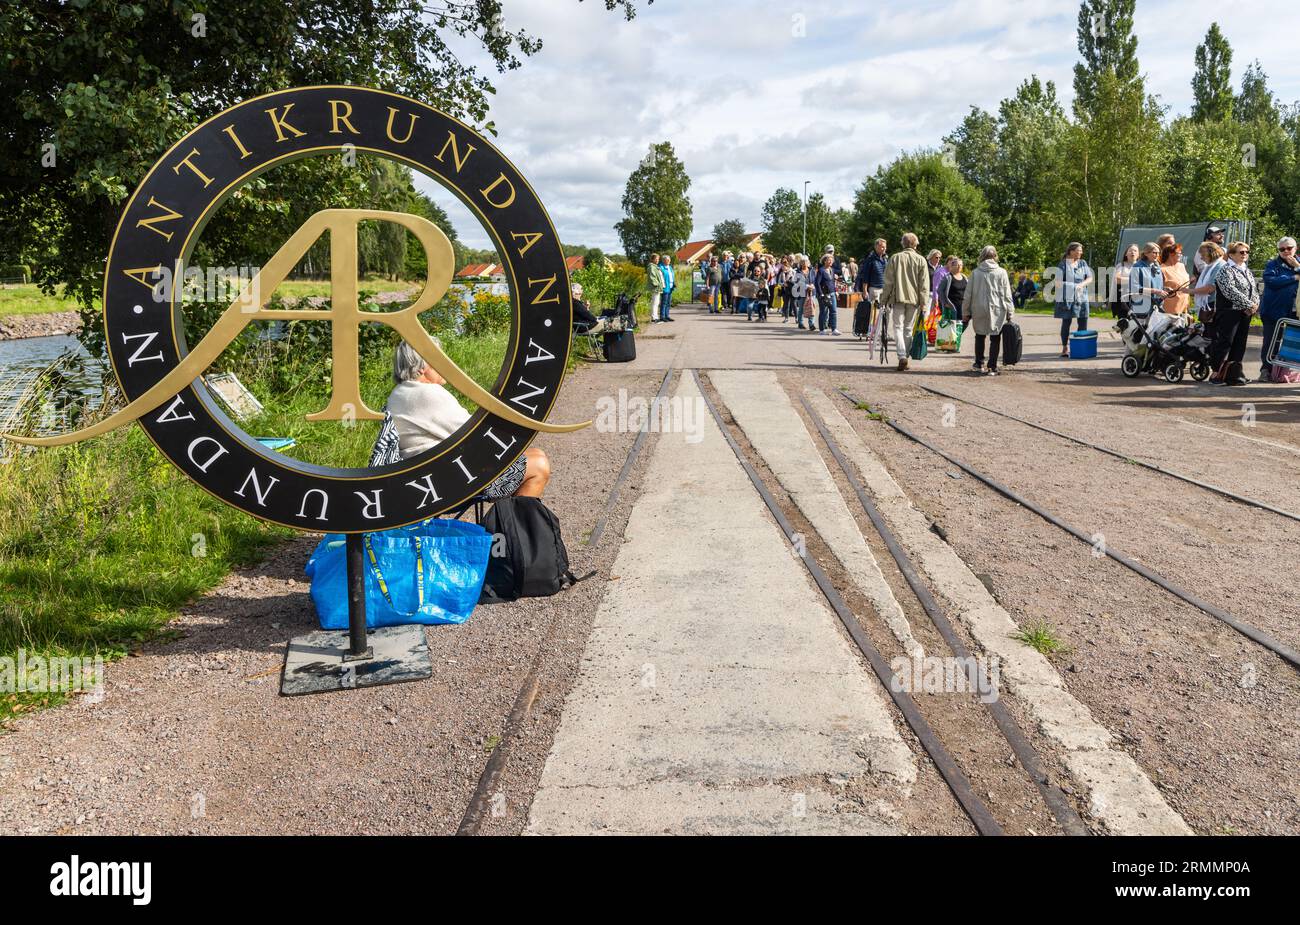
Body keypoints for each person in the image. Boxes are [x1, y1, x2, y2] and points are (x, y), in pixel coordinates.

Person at [387, 341, 551, 498]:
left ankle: (507, 522)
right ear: (422, 367)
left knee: (536, 454)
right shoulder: (426, 394)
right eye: (440, 359)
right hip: (451, 479)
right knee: (539, 466)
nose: (447, 364)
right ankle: (509, 526)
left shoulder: (399, 393)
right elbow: (475, 434)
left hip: (424, 475)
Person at [1208, 242, 1259, 386]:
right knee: (1226, 342)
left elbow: (1253, 290)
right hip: (1229, 312)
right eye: (1241, 252)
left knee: (1240, 343)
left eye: (1246, 252)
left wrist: (1255, 304)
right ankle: (1216, 373)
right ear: (1231, 254)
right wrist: (1249, 304)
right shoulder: (1225, 270)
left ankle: (1234, 373)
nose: (1245, 254)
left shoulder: (1246, 270)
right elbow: (1230, 291)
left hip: (1245, 312)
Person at [880, 232, 930, 370]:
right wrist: (924, 303)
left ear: (903, 243)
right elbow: (924, 285)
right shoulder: (921, 260)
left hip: (898, 298)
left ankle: (902, 355)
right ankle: (905, 356)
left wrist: (883, 299)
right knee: (908, 329)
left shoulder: (895, 258)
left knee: (897, 327)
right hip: (914, 300)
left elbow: (888, 282)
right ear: (915, 244)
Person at [963, 246, 1015, 376]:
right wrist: (1010, 312)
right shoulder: (1001, 272)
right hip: (997, 308)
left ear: (982, 256)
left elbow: (968, 294)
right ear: (995, 256)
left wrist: (966, 312)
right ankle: (992, 366)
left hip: (978, 307)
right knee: (995, 337)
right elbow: (1007, 293)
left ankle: (979, 363)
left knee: (979, 336)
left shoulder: (975, 272)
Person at [1260, 236, 1300, 379]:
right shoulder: (1272, 264)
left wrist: (1297, 267)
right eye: (1282, 249)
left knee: (1294, 344)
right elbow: (1271, 281)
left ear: (1295, 249)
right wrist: (1294, 278)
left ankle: (1289, 372)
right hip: (1273, 309)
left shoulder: (1299, 264)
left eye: (1289, 248)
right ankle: (1266, 370)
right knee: (1271, 341)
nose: (1286, 251)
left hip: (1295, 311)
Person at [1053, 242, 1092, 357]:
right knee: (1066, 322)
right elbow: (1058, 283)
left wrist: (1081, 285)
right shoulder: (1063, 264)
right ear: (1070, 251)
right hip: (1067, 298)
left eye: (1081, 251)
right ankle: (1065, 347)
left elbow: (1089, 278)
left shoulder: (1083, 263)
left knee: (1083, 321)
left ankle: (1080, 347)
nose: (1080, 253)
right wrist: (1073, 286)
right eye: (1078, 251)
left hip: (1081, 297)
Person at [1189, 241, 1226, 338]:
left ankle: (1212, 353)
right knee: (1207, 334)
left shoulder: (1219, 266)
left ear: (1211, 253)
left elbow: (1210, 288)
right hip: (1208, 305)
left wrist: (1190, 291)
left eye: (1203, 255)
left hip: (1214, 306)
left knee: (1212, 335)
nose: (1201, 258)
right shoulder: (1210, 266)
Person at [1127, 243, 1165, 319]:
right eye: (1154, 252)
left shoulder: (1157, 267)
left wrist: (1164, 290)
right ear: (1146, 253)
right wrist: (1155, 291)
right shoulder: (1137, 267)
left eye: (1158, 253)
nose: (1157, 255)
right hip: (1141, 307)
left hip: (1156, 306)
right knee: (1141, 330)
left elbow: (1159, 286)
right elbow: (1135, 288)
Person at [1159, 243, 1190, 316]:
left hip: (1184, 308)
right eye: (1179, 253)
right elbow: (1157, 288)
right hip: (1169, 312)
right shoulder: (1162, 269)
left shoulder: (1181, 266)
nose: (1181, 255)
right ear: (1170, 254)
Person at [938, 256, 967, 328]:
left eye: (961, 265)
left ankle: (957, 338)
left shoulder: (964, 277)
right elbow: (940, 290)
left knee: (962, 326)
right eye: (957, 265)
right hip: (952, 308)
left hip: (962, 307)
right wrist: (945, 303)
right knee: (951, 329)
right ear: (952, 266)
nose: (959, 266)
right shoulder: (948, 277)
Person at [1111, 244, 1138, 319]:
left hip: (1139, 299)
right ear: (1126, 254)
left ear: (1138, 254)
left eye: (1135, 251)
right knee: (1125, 323)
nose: (1133, 252)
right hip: (1124, 300)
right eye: (1130, 250)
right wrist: (1136, 281)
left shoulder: (1142, 266)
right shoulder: (1121, 265)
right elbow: (1118, 280)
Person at [815, 253, 839, 334]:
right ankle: (822, 330)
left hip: (832, 294)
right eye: (829, 260)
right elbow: (817, 283)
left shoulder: (832, 270)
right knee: (823, 312)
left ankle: (834, 329)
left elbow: (832, 282)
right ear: (824, 261)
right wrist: (820, 294)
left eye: (831, 260)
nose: (830, 262)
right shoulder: (821, 270)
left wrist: (836, 291)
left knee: (834, 311)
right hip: (824, 294)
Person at [646, 253, 664, 323]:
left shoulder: (655, 266)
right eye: (656, 259)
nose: (657, 260)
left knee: (656, 303)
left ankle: (655, 317)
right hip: (655, 287)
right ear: (652, 259)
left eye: (658, 259)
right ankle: (654, 318)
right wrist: (656, 284)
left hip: (658, 287)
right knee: (655, 303)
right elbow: (652, 277)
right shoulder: (651, 267)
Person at [658, 254, 675, 322]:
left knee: (668, 302)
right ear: (664, 260)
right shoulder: (661, 267)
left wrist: (674, 283)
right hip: (665, 287)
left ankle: (667, 316)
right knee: (664, 302)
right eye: (667, 260)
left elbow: (671, 276)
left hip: (670, 287)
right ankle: (662, 316)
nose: (669, 261)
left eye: (669, 260)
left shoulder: (670, 267)